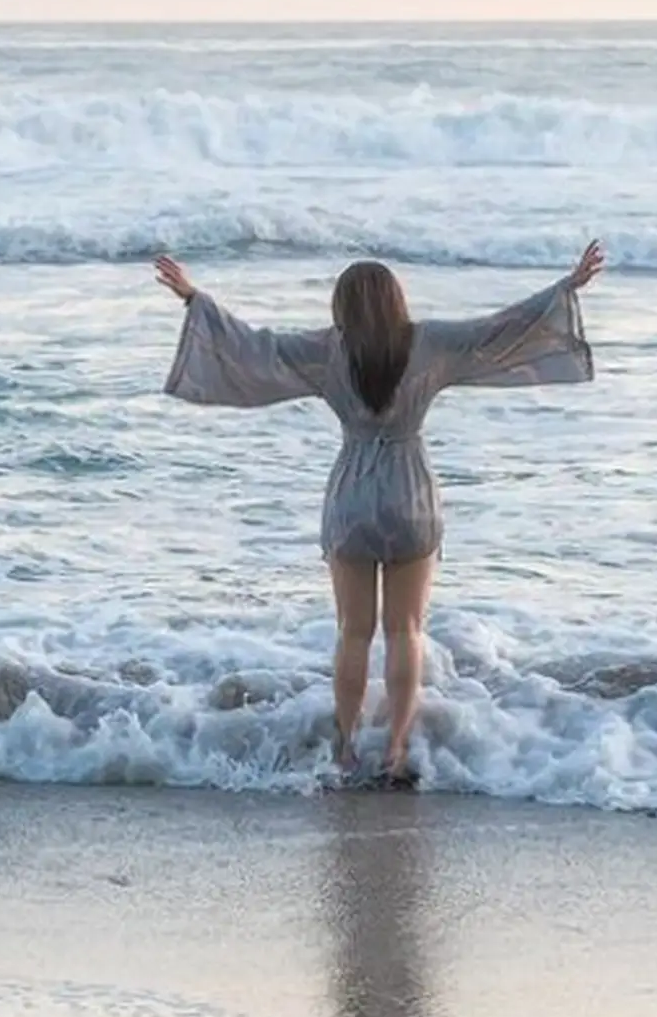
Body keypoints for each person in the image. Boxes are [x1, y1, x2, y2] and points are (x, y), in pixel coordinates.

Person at [154, 241, 604, 785]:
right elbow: (502, 329)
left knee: (353, 632)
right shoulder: (430, 342)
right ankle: (394, 747)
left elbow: (253, 347)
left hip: (352, 494)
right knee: (406, 629)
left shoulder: (326, 350)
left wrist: (193, 298)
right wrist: (566, 287)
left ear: (342, 307)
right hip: (410, 492)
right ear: (396, 301)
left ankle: (344, 749)